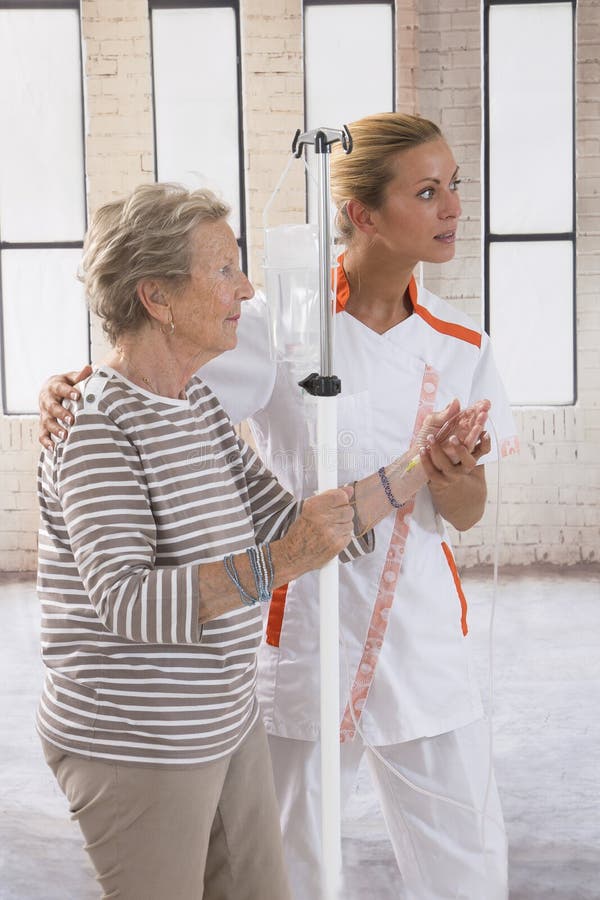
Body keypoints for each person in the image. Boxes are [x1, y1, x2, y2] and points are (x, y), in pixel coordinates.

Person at [39, 114, 517, 900]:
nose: (453, 207)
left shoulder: (462, 345)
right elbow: (141, 382)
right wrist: (68, 387)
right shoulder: (273, 328)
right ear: (362, 213)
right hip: (284, 644)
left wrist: (432, 470)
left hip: (406, 636)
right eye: (428, 191)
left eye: (454, 188)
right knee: (293, 858)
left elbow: (444, 511)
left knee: (463, 861)